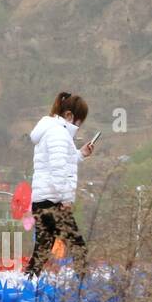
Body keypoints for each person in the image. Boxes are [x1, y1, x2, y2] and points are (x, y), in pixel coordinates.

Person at [25, 92, 95, 276]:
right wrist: (66, 200)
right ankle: (83, 288)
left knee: (41, 251)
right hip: (52, 202)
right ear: (69, 115)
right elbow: (58, 170)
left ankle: (28, 283)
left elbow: (64, 163)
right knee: (79, 247)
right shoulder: (58, 133)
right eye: (80, 121)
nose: (79, 126)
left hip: (42, 200)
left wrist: (81, 154)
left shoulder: (52, 131)